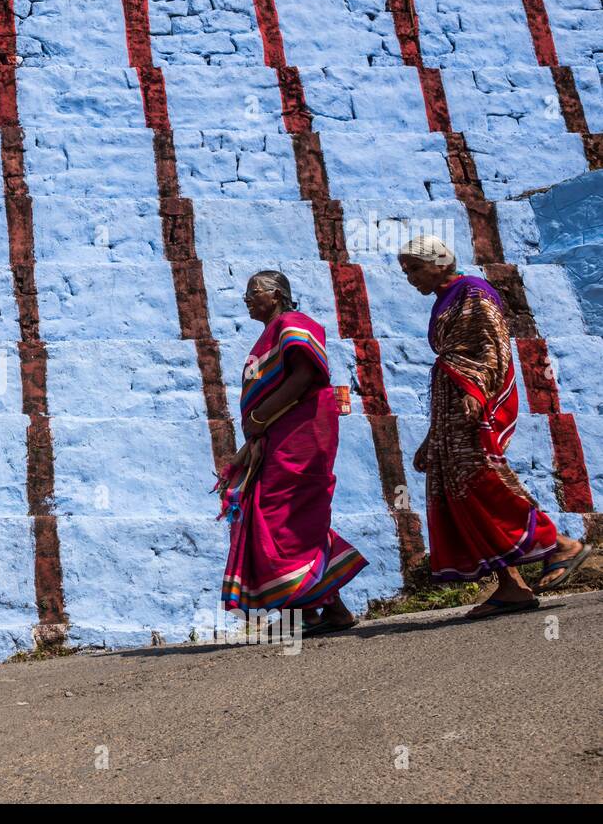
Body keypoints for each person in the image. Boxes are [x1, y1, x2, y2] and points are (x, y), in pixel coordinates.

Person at [397, 235, 592, 618]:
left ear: (439, 261)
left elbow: (491, 342)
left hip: (470, 396)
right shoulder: (445, 299)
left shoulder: (472, 289)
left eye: (415, 268)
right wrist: (433, 435)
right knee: (457, 491)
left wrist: (477, 389)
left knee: (482, 479)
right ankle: (511, 585)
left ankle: (559, 543)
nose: (410, 278)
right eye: (406, 272)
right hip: (452, 401)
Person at [216, 271, 368, 634]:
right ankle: (318, 610)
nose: (247, 299)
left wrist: (258, 417)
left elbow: (303, 377)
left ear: (278, 294)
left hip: (302, 433)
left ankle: (309, 608)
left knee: (280, 514)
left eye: (255, 292)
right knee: (285, 518)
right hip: (277, 434)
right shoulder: (266, 335)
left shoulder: (294, 323)